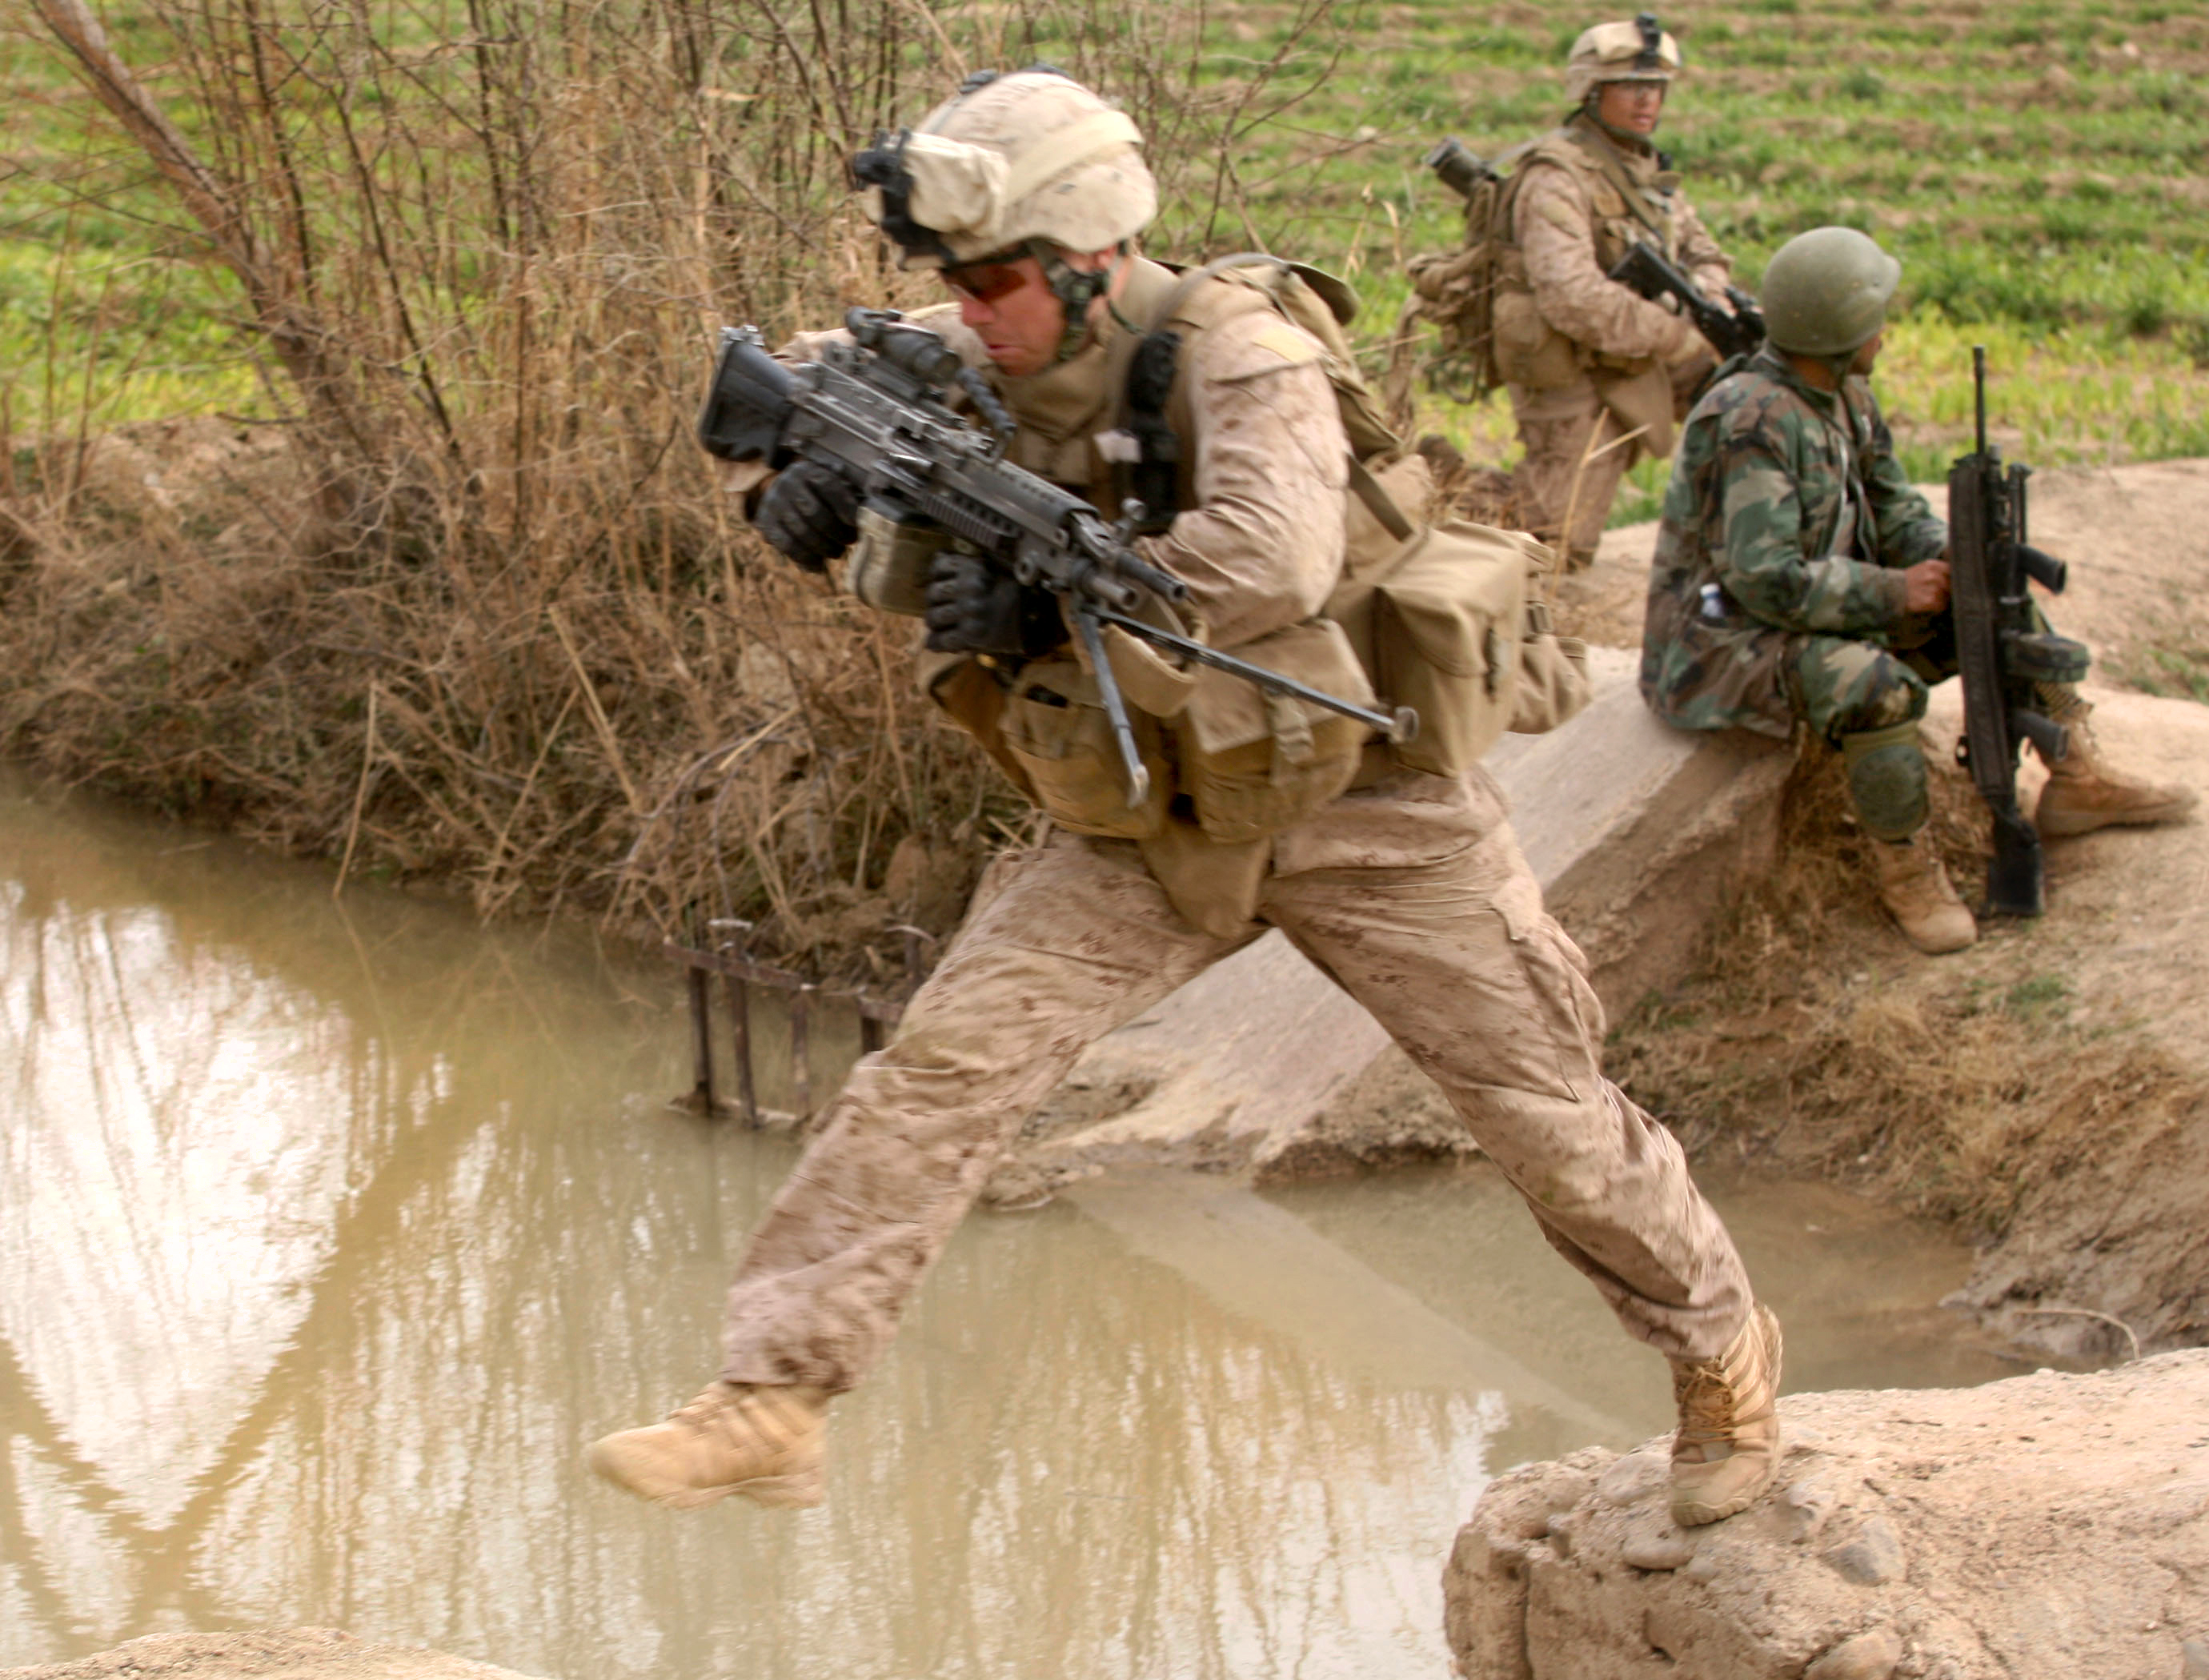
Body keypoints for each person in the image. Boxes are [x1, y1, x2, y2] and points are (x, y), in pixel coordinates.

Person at [587, 67, 1781, 1530]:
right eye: (957, 279)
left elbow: (1272, 557)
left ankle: (1722, 1351)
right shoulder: (969, 345)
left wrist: (1032, 593)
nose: (975, 308)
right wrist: (787, 481)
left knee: (1546, 1113)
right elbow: (797, 384)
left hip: (1365, 795)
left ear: (1093, 259)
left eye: (1003, 279)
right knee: (945, 1068)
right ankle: (774, 1394)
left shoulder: (1241, 349)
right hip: (1143, 803)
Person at [1640, 225, 2196, 954]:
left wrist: (1951, 561)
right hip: (1720, 640)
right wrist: (1893, 592)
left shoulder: (1845, 395)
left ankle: (2077, 778)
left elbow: (1894, 504)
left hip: (1813, 605)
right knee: (1876, 685)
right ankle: (1907, 872)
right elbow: (1763, 579)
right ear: (1839, 330)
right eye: (1875, 317)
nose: (1887, 331)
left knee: (1995, 601)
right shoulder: (1751, 418)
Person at [1489, 14, 1738, 571]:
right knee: (1553, 542)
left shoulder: (1642, 170)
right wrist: (1676, 335)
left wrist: (1709, 301)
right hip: (1568, 363)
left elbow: (1706, 253)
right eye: (1630, 86)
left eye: (1656, 88)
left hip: (1629, 348)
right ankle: (1433, 504)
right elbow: (1570, 295)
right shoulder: (1557, 177)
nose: (1647, 100)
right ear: (1591, 90)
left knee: (1746, 395)